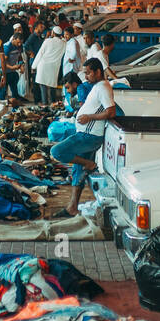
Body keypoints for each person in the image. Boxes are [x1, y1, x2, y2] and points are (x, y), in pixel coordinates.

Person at [51, 58, 117, 216]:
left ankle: (89, 163)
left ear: (98, 72)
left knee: (56, 151)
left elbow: (111, 112)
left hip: (89, 136)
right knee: (78, 170)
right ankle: (72, 207)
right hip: (87, 134)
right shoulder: (98, 86)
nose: (86, 76)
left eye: (88, 73)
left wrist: (89, 117)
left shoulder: (103, 87)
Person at [32, 26, 67, 102]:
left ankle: (45, 103)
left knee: (43, 85)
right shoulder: (64, 44)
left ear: (53, 33)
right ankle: (53, 103)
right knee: (52, 86)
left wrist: (33, 66)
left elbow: (40, 54)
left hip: (43, 66)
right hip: (54, 67)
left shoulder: (47, 41)